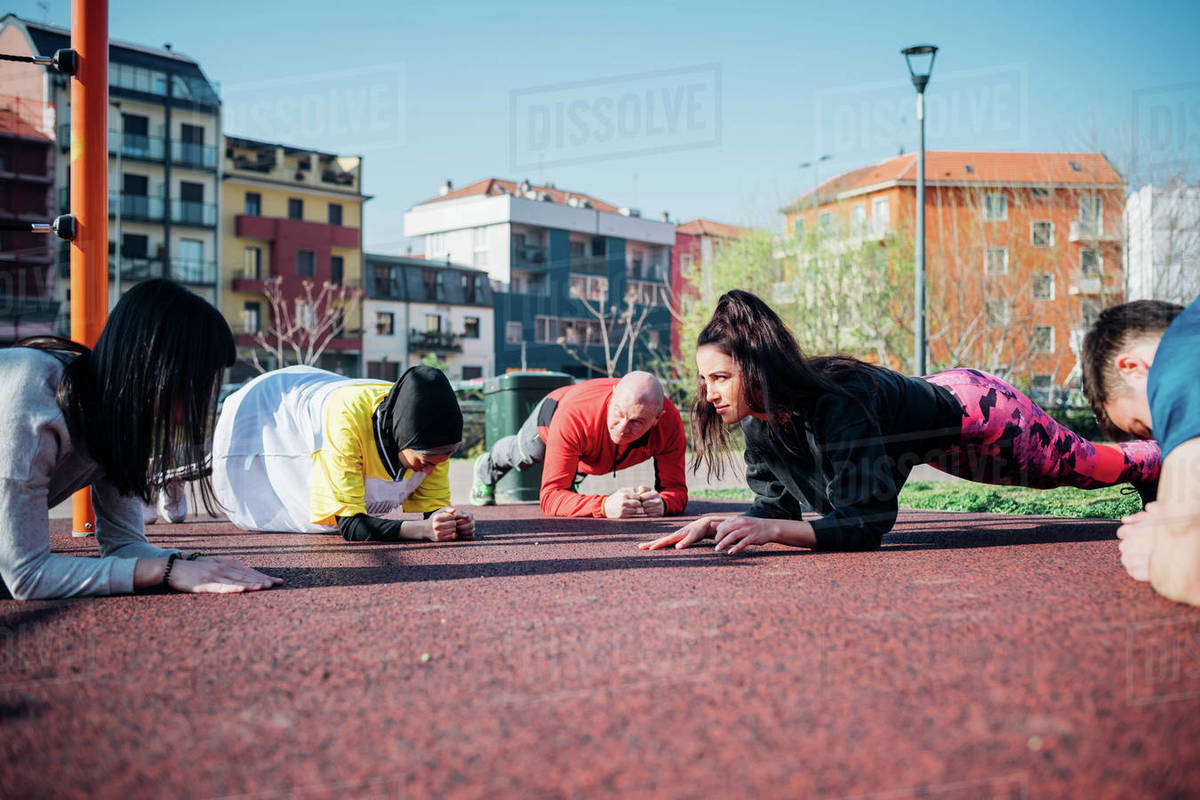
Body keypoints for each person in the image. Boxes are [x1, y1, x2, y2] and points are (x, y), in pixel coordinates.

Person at [641, 290, 1161, 555]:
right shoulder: (758, 423)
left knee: (1085, 465)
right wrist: (723, 525)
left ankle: (1167, 459)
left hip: (979, 411)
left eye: (718, 378)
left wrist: (772, 530)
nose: (707, 395)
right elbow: (774, 506)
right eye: (704, 379)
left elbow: (866, 523)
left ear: (756, 370)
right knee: (1062, 475)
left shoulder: (837, 405)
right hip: (931, 435)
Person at [0, 279, 281, 600]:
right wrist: (169, 571)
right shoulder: (33, 393)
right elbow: (25, 575)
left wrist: (191, 562)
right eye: (204, 379)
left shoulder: (118, 421)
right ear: (165, 371)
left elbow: (124, 546)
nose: (207, 397)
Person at [213, 364, 474, 542]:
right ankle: (173, 476)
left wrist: (448, 520)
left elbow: (434, 509)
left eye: (441, 461)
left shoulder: (432, 435)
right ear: (401, 438)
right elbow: (349, 525)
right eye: (425, 462)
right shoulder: (346, 421)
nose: (431, 470)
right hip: (268, 409)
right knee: (228, 463)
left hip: (321, 395)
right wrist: (421, 531)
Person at [1080, 297, 1200, 605]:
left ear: (1132, 368)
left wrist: (1162, 550)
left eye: (1152, 428)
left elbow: (1192, 575)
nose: (1167, 442)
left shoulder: (1177, 365)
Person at [471, 371, 688, 518]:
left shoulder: (669, 425)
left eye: (636, 422)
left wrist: (663, 502)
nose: (622, 427)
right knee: (523, 455)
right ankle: (485, 467)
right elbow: (549, 498)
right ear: (612, 397)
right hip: (556, 412)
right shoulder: (574, 417)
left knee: (571, 487)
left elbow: (676, 491)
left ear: (657, 419)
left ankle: (571, 480)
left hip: (588, 443)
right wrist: (604, 506)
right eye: (619, 414)